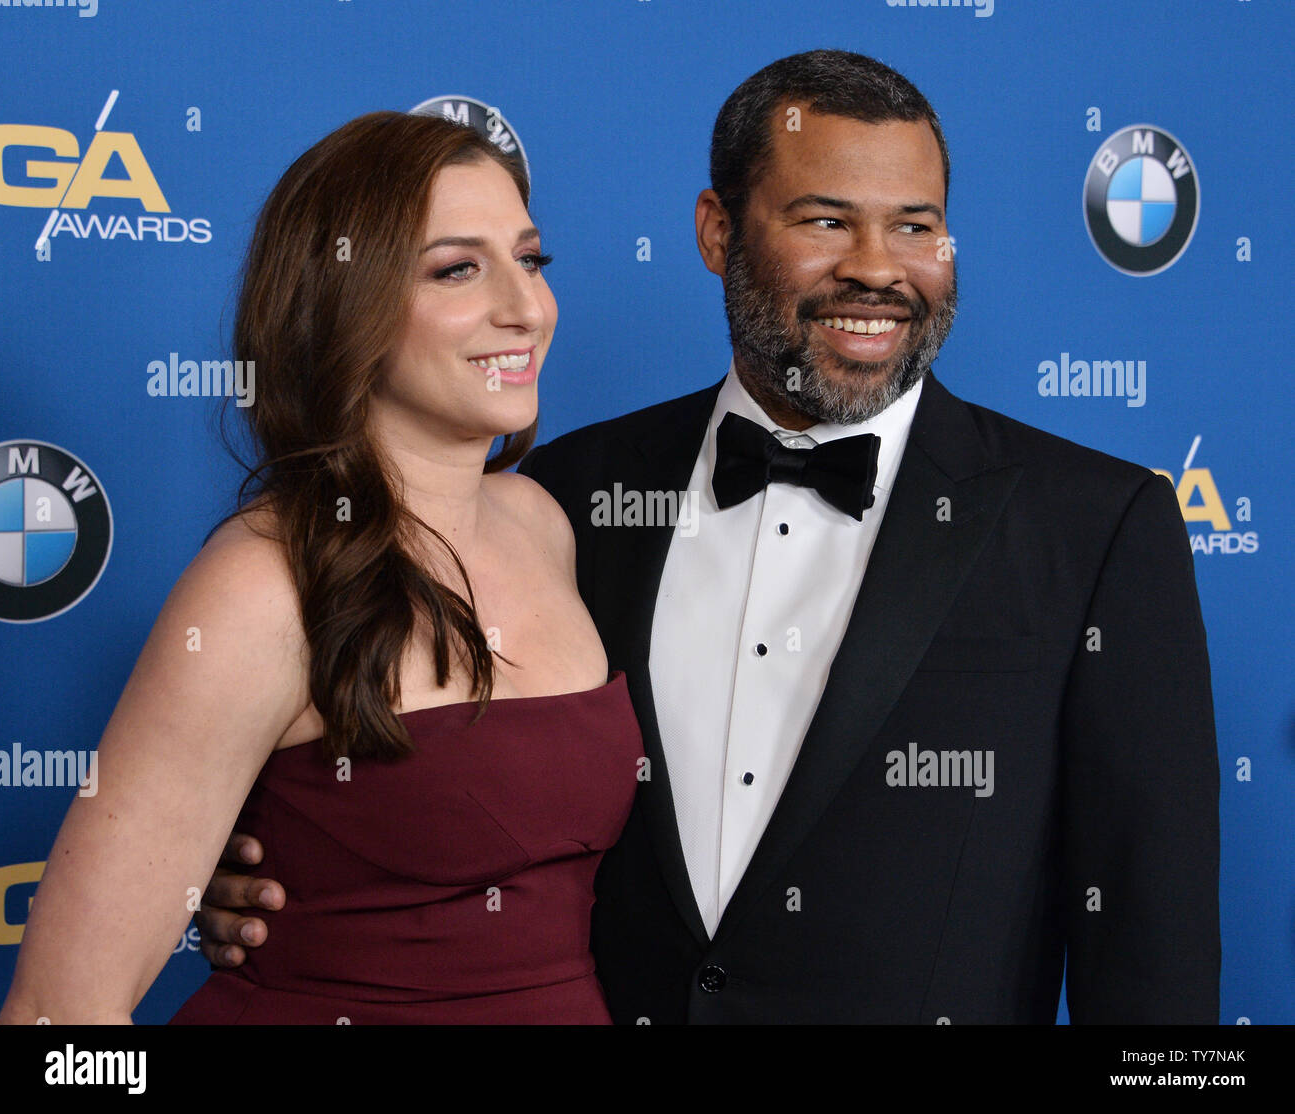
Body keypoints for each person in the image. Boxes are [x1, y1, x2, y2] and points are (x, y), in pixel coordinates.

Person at [199, 50, 1221, 1024]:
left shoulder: (1094, 526)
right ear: (716, 232)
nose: (878, 271)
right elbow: (430, 788)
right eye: (825, 220)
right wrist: (248, 880)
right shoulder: (559, 500)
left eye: (916, 227)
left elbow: (1152, 940)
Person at [0, 111, 642, 1025]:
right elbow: (56, 1013)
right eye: (458, 268)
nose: (527, 308)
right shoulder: (262, 585)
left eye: (531, 260)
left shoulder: (544, 522)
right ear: (346, 304)